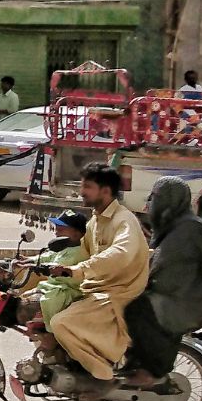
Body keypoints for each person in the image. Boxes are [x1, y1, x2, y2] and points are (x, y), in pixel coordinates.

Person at [45, 162, 149, 387]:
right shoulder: (95, 222)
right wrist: (34, 262)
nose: (82, 192)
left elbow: (120, 254)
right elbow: (78, 253)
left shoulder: (124, 220)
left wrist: (80, 270)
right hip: (95, 290)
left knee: (60, 323)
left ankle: (103, 377)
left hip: (117, 294)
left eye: (88, 187)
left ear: (105, 191)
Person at [122, 176, 202, 388]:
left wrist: (141, 284)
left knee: (134, 307)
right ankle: (131, 361)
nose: (150, 204)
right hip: (180, 294)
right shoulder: (177, 225)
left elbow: (170, 272)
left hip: (186, 301)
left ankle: (152, 370)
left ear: (170, 200)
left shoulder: (187, 230)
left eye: (155, 198)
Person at [26, 209, 88, 328]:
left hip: (68, 290)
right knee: (24, 300)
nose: (56, 232)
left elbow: (58, 265)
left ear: (77, 233)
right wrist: (29, 260)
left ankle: (51, 335)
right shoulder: (64, 247)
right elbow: (49, 256)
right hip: (52, 287)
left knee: (46, 303)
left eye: (61, 229)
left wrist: (41, 267)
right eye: (56, 229)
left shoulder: (80, 252)